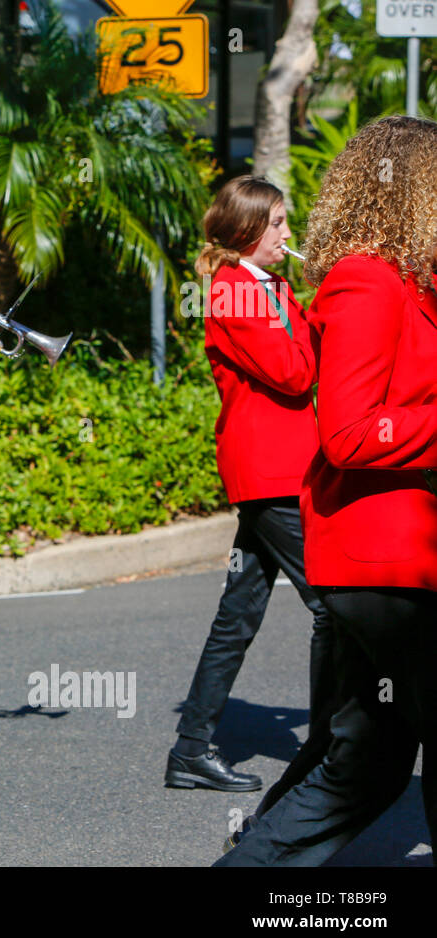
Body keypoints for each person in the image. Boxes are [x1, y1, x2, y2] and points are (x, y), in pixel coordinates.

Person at [216, 116, 437, 865]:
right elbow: (348, 430)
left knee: (365, 766)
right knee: (358, 761)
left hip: (391, 555)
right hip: (381, 554)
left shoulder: (403, 281)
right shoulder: (367, 279)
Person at [165, 174, 334, 795]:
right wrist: (320, 309)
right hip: (273, 471)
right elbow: (294, 373)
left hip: (277, 467)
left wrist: (305, 303)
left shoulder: (264, 287)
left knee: (236, 617)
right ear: (248, 231)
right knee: (331, 607)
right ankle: (331, 749)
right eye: (280, 223)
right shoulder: (236, 292)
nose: (289, 234)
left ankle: (190, 751)